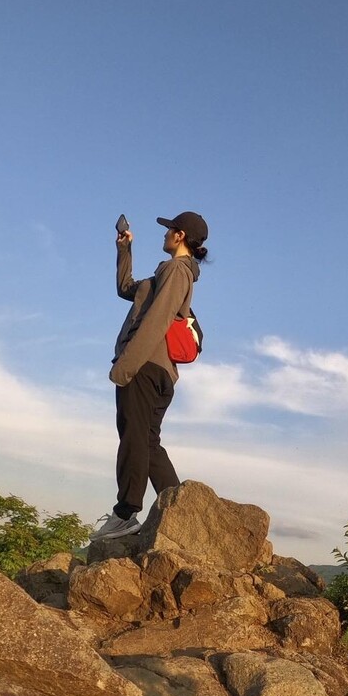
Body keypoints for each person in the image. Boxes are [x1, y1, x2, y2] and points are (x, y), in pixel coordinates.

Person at [89, 211, 207, 541]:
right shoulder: (161, 276)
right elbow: (126, 288)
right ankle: (180, 513)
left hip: (144, 367)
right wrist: (125, 249)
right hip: (157, 371)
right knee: (148, 443)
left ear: (180, 235)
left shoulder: (175, 271)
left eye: (169, 229)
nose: (165, 234)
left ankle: (125, 513)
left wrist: (126, 364)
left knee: (133, 436)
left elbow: (157, 320)